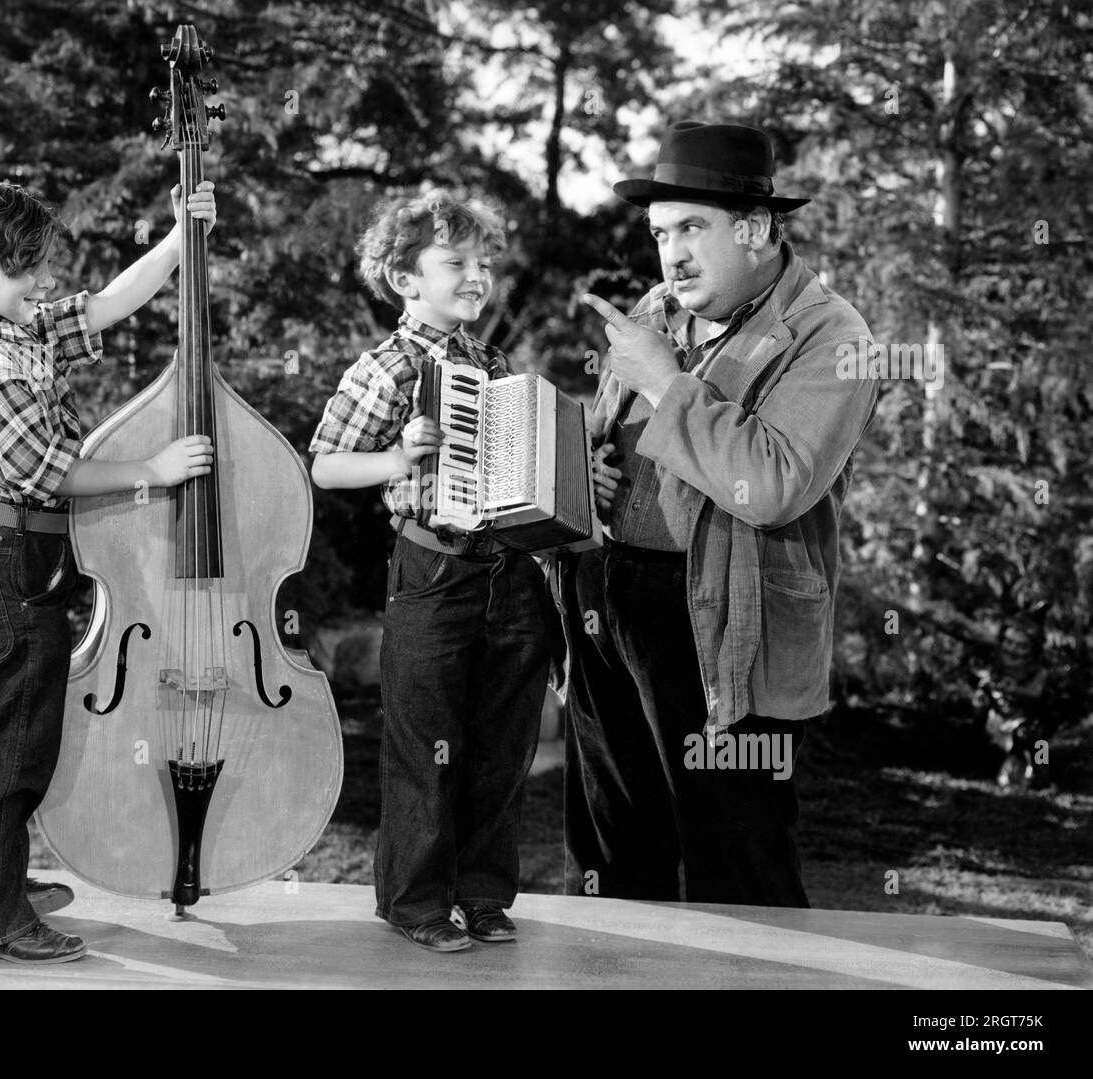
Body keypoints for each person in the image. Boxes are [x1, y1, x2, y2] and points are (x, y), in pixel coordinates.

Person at [562, 121, 879, 906]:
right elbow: (619, 433)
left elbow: (772, 483)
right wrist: (594, 474)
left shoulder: (834, 336)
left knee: (739, 870)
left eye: (692, 228)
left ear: (758, 228)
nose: (671, 254)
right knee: (612, 854)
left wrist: (668, 383)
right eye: (661, 231)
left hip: (730, 629)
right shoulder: (658, 310)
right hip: (610, 604)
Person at [0, 176, 217, 962]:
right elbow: (57, 473)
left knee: (14, 738)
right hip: (3, 560)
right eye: (26, 271)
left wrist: (179, 239)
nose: (42, 283)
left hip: (22, 555)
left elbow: (106, 304)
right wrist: (152, 467)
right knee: (8, 750)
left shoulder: (8, 322)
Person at [309, 191, 553, 952]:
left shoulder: (494, 362)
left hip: (506, 570)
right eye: (456, 264)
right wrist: (396, 456)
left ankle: (481, 893)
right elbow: (322, 466)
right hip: (433, 570)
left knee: (500, 746)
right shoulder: (385, 368)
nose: (476, 277)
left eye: (484, 264)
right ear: (403, 279)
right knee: (426, 744)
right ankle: (414, 902)